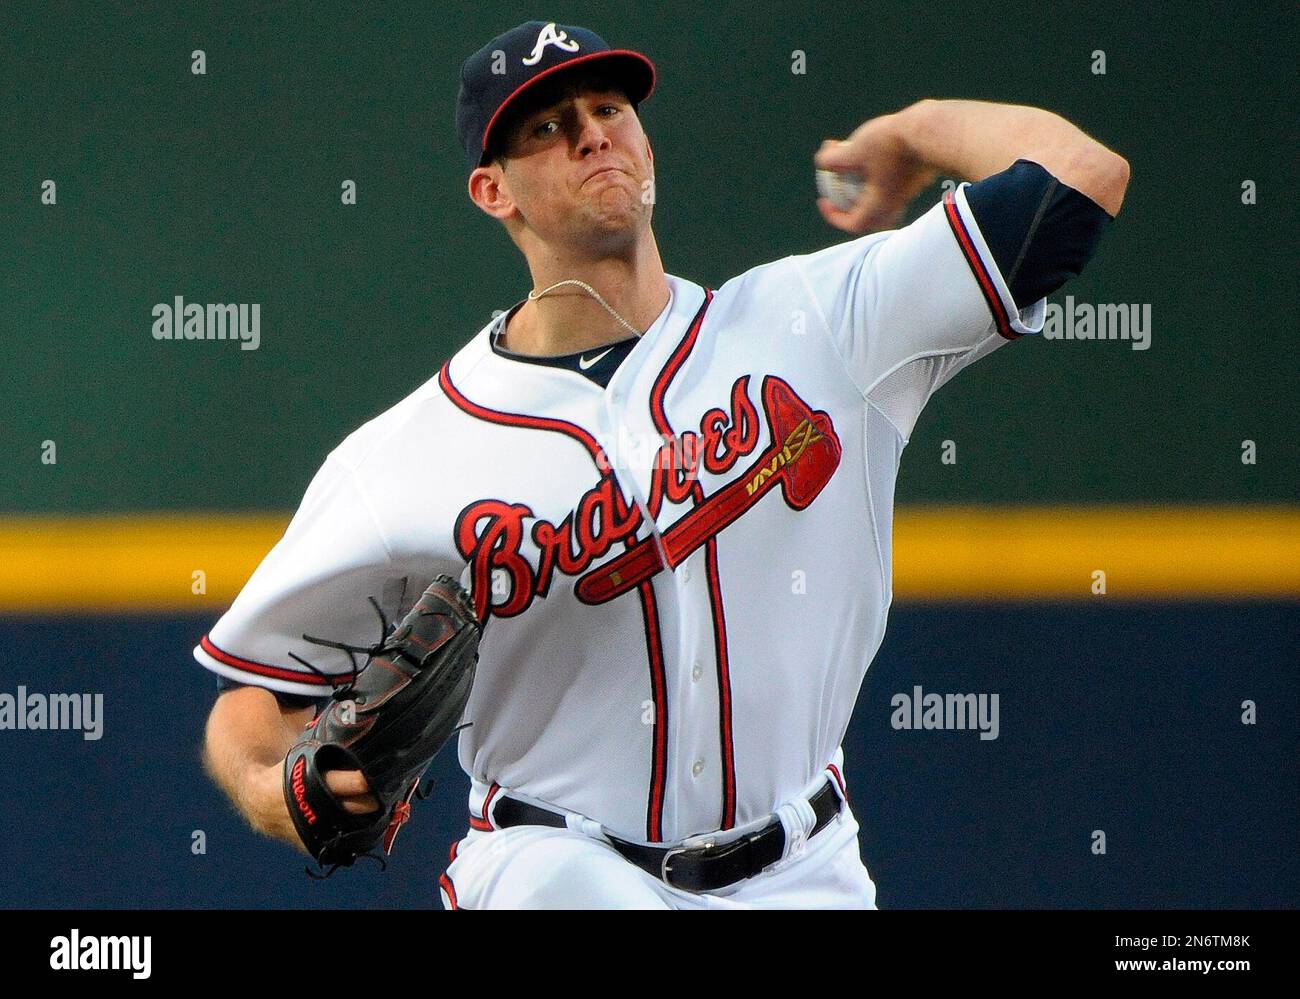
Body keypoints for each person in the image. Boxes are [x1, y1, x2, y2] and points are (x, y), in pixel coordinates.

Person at [198, 20, 1128, 909]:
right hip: (550, 862)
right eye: (550, 127)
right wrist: (278, 789)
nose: (592, 135)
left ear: (646, 143)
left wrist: (916, 130)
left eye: (610, 110)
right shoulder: (404, 457)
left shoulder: (822, 324)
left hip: (807, 867)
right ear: (495, 192)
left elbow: (1080, 178)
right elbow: (252, 700)